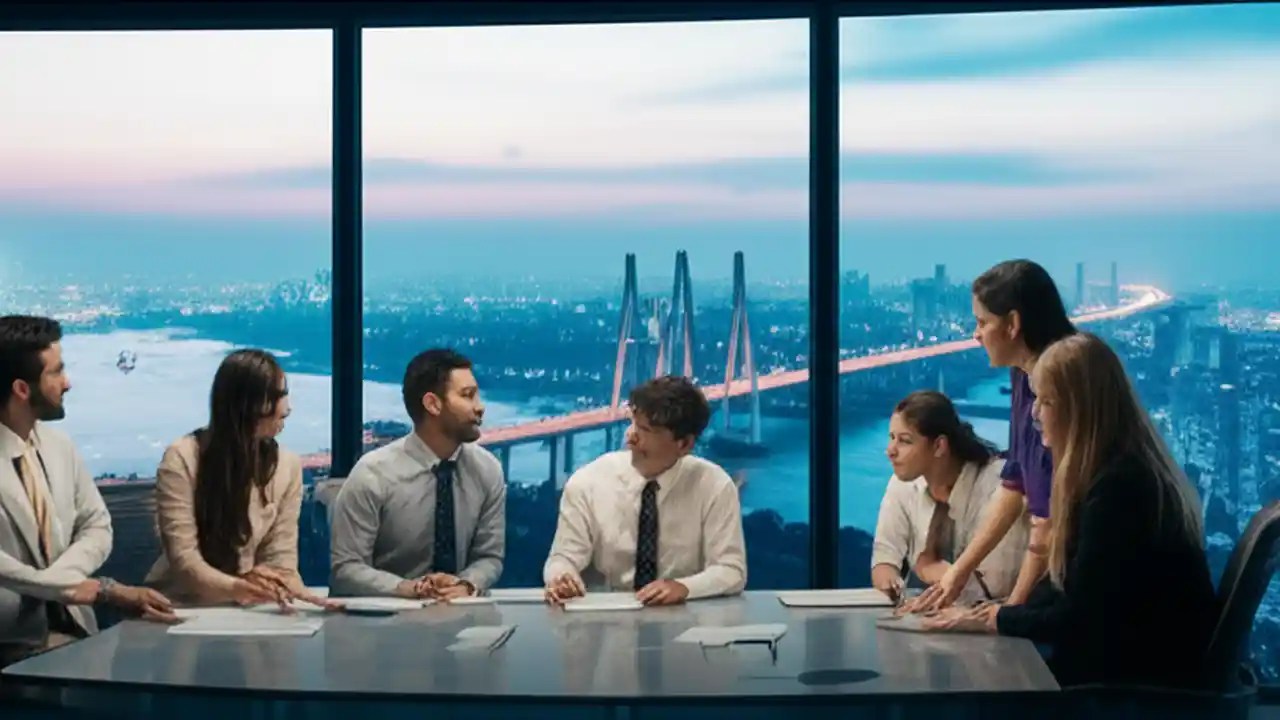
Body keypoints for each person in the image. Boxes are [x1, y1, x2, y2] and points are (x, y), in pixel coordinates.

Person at [921, 333, 1216, 688]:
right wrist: (999, 614)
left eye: (1045, 401)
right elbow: (1072, 591)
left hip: (1139, 685)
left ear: (1077, 409)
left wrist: (997, 620)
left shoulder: (1120, 489)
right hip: (1140, 670)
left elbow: (1083, 617)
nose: (1035, 412)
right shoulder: (1122, 472)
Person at [0, 316, 177, 669]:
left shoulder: (59, 447)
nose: (68, 383)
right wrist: (94, 589)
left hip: (79, 636)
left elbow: (97, 525)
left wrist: (62, 584)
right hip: (8, 647)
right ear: (22, 389)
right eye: (57, 372)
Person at [916, 259, 1076, 610]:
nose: (976, 333)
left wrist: (1008, 613)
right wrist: (958, 574)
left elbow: (1046, 526)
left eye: (982, 321)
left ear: (1013, 325)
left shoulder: (1060, 388)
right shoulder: (1023, 375)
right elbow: (1015, 485)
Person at [145, 349, 331, 609]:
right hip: (180, 605)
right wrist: (240, 586)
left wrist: (305, 597)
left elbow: (280, 561)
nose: (287, 407)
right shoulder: (183, 458)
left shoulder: (287, 466)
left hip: (252, 606)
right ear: (253, 405)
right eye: (280, 395)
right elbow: (185, 562)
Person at [544, 375, 746, 606]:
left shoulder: (714, 486)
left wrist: (684, 587)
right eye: (632, 423)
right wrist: (561, 577)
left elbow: (731, 570)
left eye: (645, 430)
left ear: (684, 444)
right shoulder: (588, 482)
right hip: (604, 628)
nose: (630, 437)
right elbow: (563, 557)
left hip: (684, 625)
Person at [330, 349, 505, 599]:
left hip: (463, 617)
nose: (480, 407)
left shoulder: (487, 470)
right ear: (433, 404)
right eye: (468, 396)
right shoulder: (373, 475)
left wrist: (466, 584)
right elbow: (345, 570)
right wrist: (408, 589)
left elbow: (490, 557)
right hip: (385, 621)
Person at [871, 391, 1029, 604]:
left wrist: (927, 568)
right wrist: (890, 583)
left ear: (939, 446)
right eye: (891, 438)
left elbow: (994, 591)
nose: (890, 451)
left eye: (904, 441)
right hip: (930, 619)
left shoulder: (998, 486)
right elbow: (885, 556)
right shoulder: (903, 482)